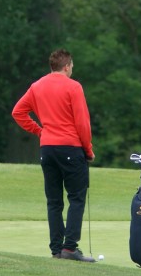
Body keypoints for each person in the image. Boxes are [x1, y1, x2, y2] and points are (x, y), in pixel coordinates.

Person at [12, 48, 97, 262]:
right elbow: (82, 123)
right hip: (70, 148)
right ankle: (70, 248)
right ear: (66, 66)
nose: (72, 69)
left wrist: (40, 131)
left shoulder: (37, 86)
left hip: (47, 149)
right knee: (76, 198)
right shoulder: (73, 86)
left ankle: (57, 250)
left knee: (54, 201)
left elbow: (18, 112)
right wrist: (88, 150)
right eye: (72, 66)